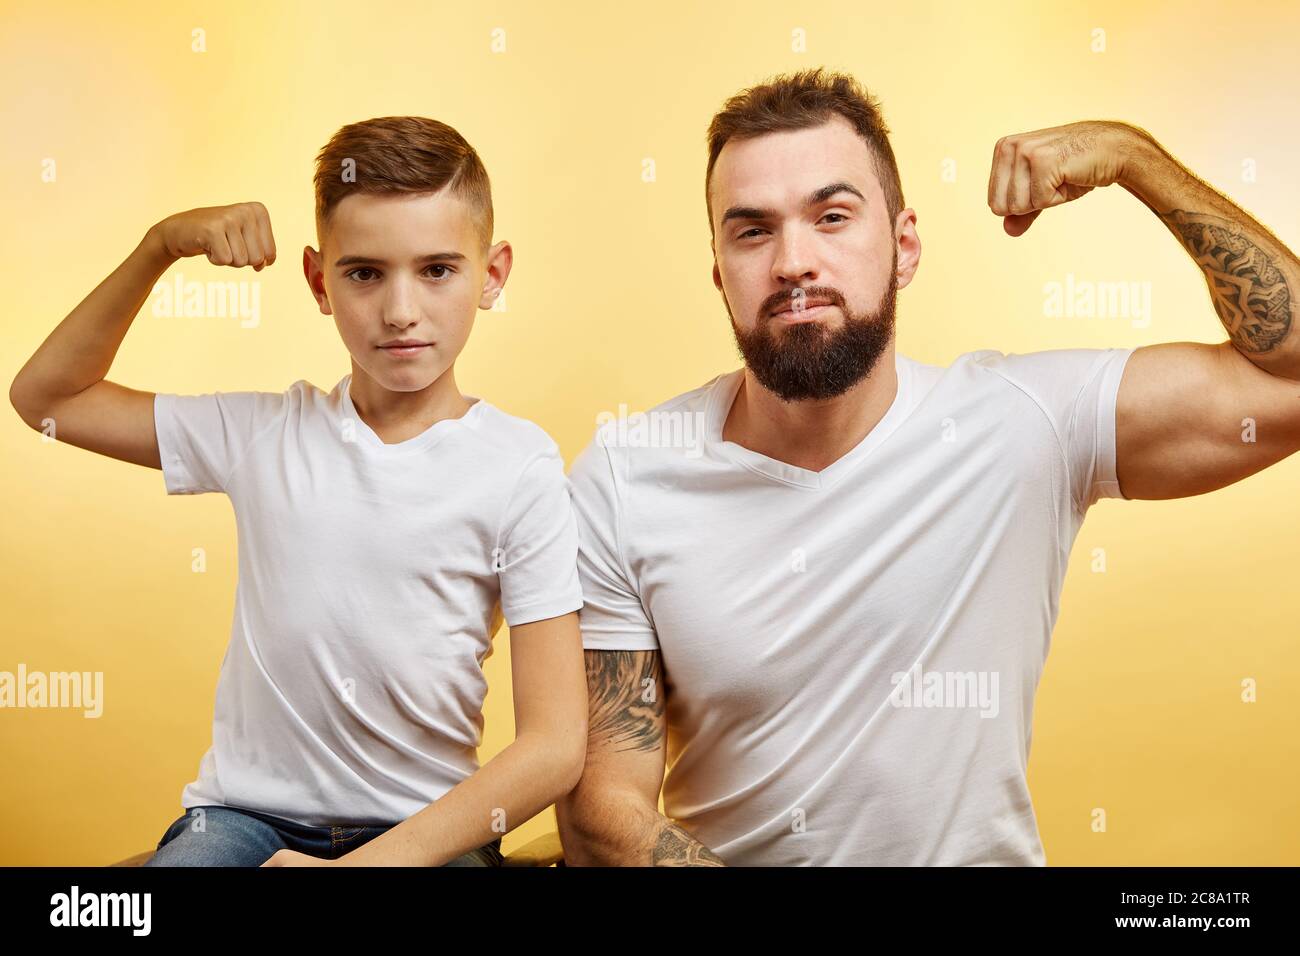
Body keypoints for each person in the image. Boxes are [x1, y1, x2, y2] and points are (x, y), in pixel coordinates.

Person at [556, 68, 1300, 866]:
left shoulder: (1026, 423)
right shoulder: (628, 476)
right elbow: (605, 808)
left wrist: (1132, 157)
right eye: (752, 231)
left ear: (904, 247)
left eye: (832, 217)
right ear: (719, 273)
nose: (792, 262)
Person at [9, 116, 587, 866]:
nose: (400, 310)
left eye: (438, 269)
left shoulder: (520, 466)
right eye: (364, 272)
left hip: (423, 832)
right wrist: (160, 248)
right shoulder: (263, 434)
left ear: (493, 274)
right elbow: (48, 398)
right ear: (320, 280)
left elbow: (553, 745)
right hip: (242, 823)